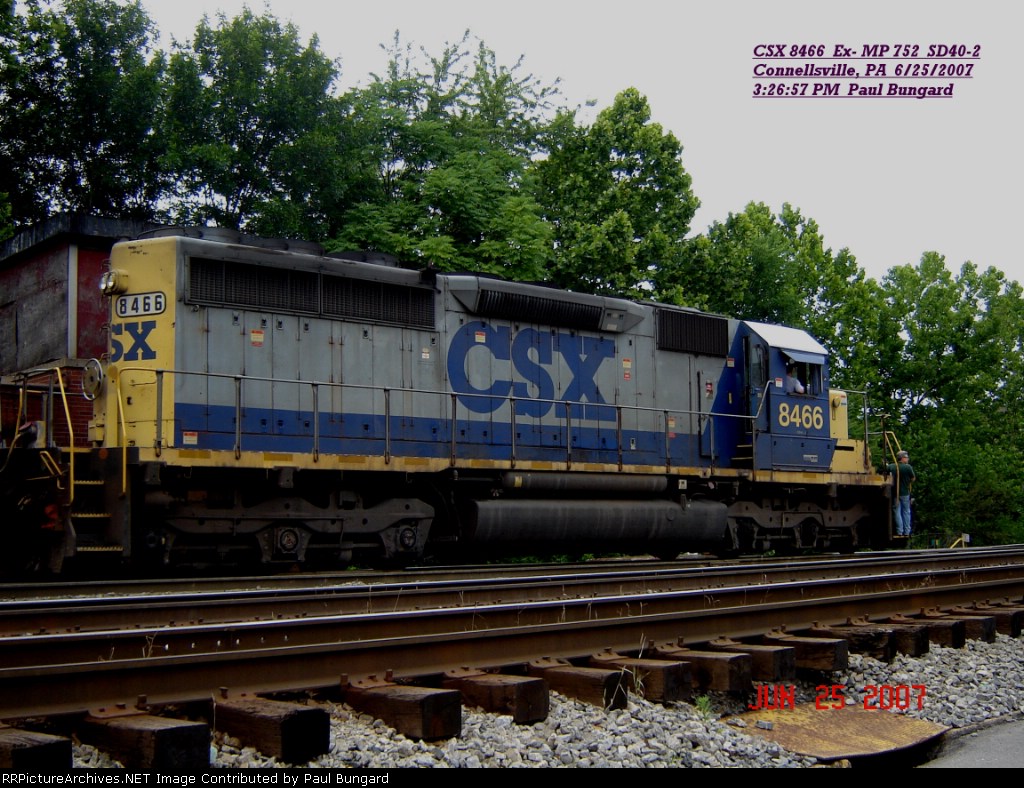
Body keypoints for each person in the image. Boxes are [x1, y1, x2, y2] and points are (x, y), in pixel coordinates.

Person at [887, 450, 916, 537]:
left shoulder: (892, 466)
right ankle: (907, 531)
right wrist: (908, 482)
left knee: (897, 512)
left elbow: (886, 469)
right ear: (902, 458)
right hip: (905, 493)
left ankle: (900, 531)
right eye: (906, 457)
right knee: (906, 512)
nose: (907, 459)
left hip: (895, 493)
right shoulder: (908, 467)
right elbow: (913, 478)